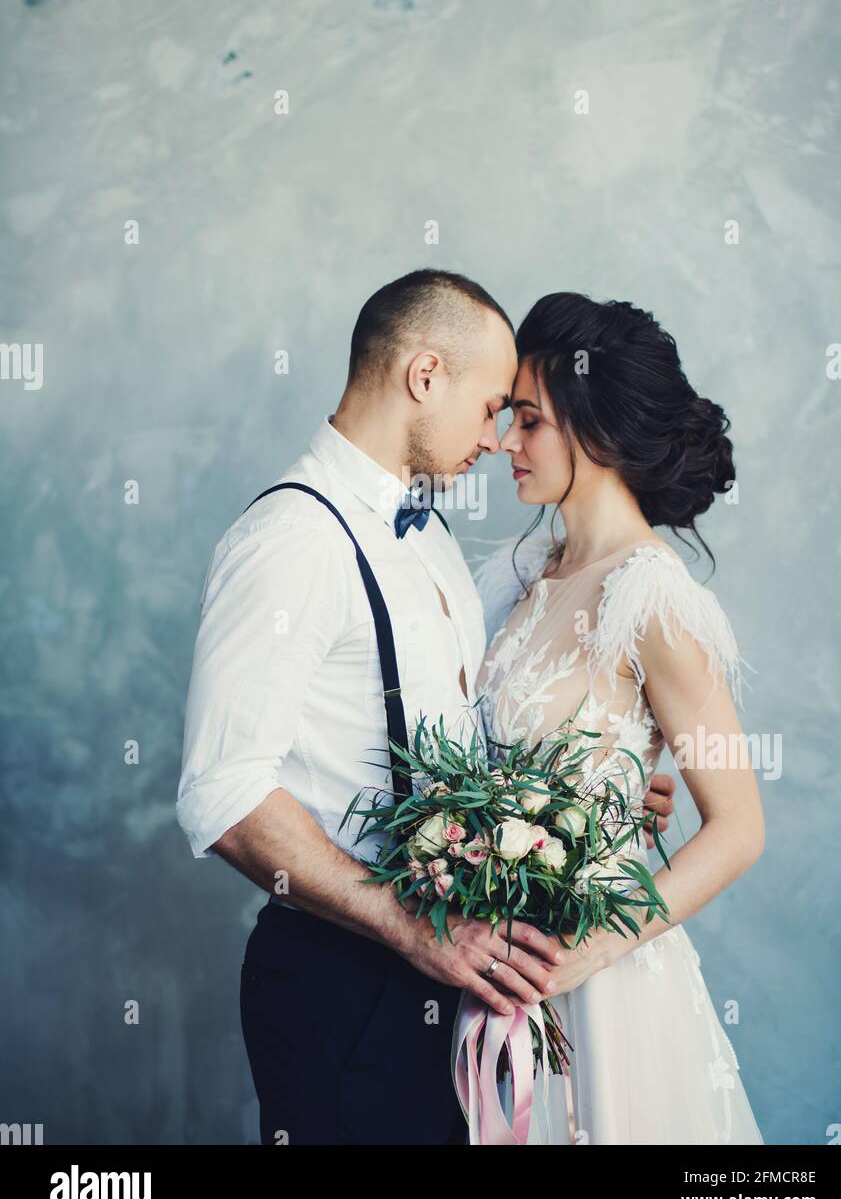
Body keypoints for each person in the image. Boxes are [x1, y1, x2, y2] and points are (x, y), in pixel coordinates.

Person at [175, 268, 677, 1146]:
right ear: (423, 376)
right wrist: (410, 929)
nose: (495, 440)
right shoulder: (289, 541)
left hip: (447, 981)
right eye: (490, 408)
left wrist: (595, 789)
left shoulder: (435, 540)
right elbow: (223, 795)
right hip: (342, 982)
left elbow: (469, 735)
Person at [474, 291, 765, 1144]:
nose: (502, 443)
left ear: (593, 430)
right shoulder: (519, 572)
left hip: (603, 985)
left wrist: (597, 945)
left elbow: (739, 827)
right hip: (498, 972)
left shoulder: (651, 596)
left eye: (527, 421)